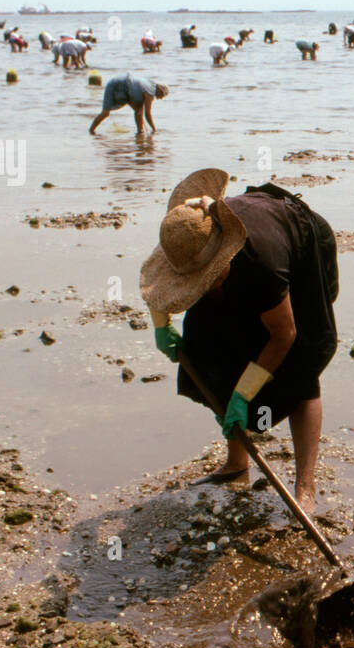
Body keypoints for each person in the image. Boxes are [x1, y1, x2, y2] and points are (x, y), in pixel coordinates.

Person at [141, 169, 339, 513]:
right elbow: (154, 281)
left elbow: (284, 335)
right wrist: (161, 324)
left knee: (299, 370)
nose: (205, 287)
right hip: (249, 257)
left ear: (224, 261)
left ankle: (305, 486)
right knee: (214, 347)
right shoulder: (185, 233)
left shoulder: (262, 264)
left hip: (302, 245)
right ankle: (236, 464)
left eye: (209, 280)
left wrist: (243, 395)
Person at [89, 73, 168, 135]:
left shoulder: (150, 84)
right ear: (160, 91)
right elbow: (147, 114)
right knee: (105, 113)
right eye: (163, 96)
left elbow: (140, 112)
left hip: (116, 82)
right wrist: (154, 129)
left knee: (138, 111)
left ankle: (140, 132)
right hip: (121, 85)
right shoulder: (151, 91)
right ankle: (91, 131)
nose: (161, 98)